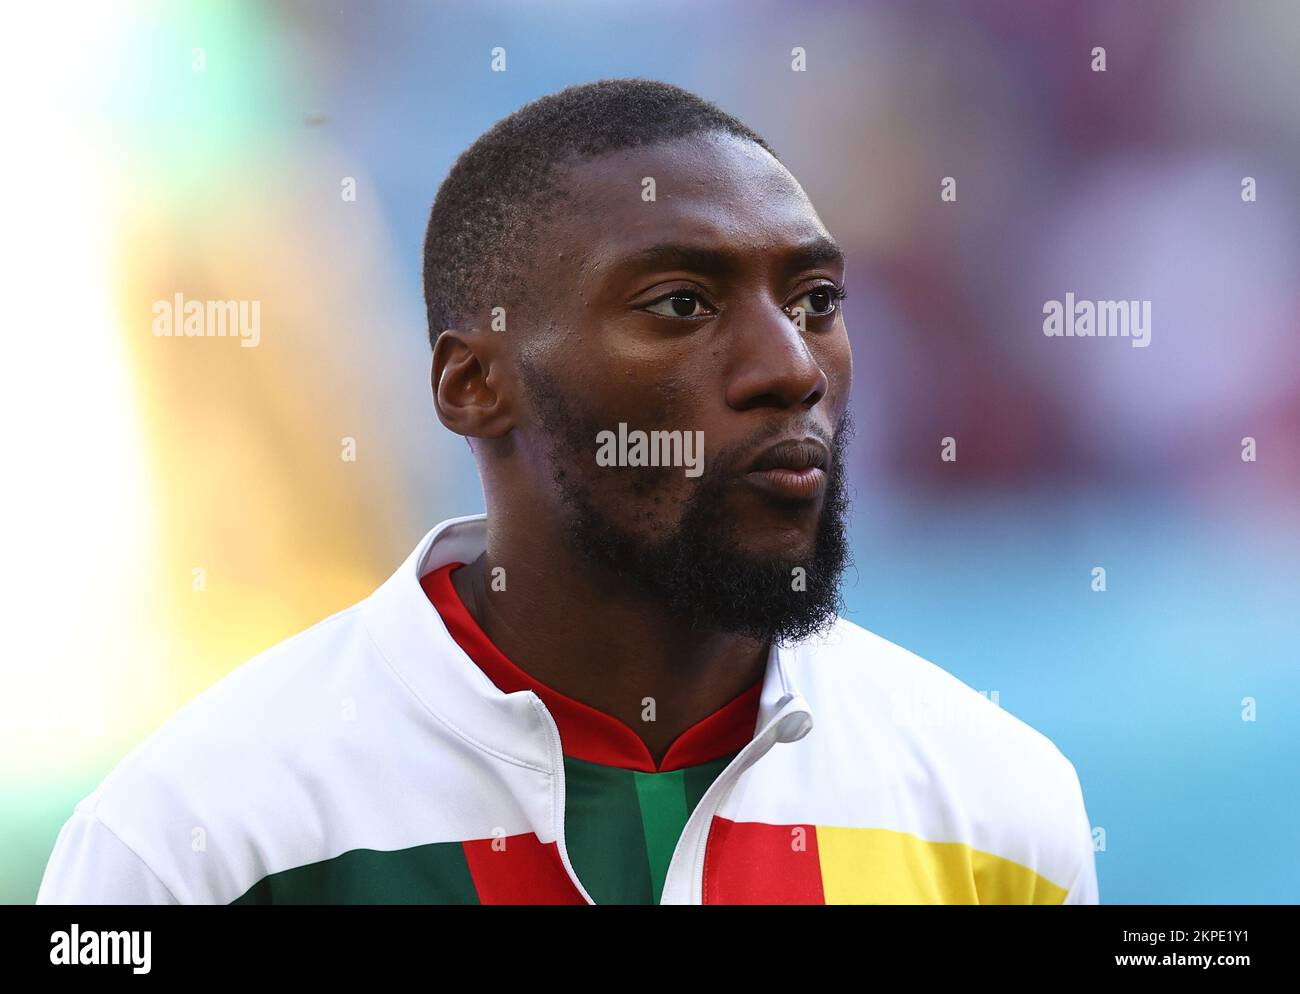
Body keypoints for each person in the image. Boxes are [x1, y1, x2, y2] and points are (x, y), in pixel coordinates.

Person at [37, 78, 1098, 904]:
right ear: (474, 385)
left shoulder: (993, 806)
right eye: (681, 303)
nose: (792, 367)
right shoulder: (199, 831)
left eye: (815, 299)